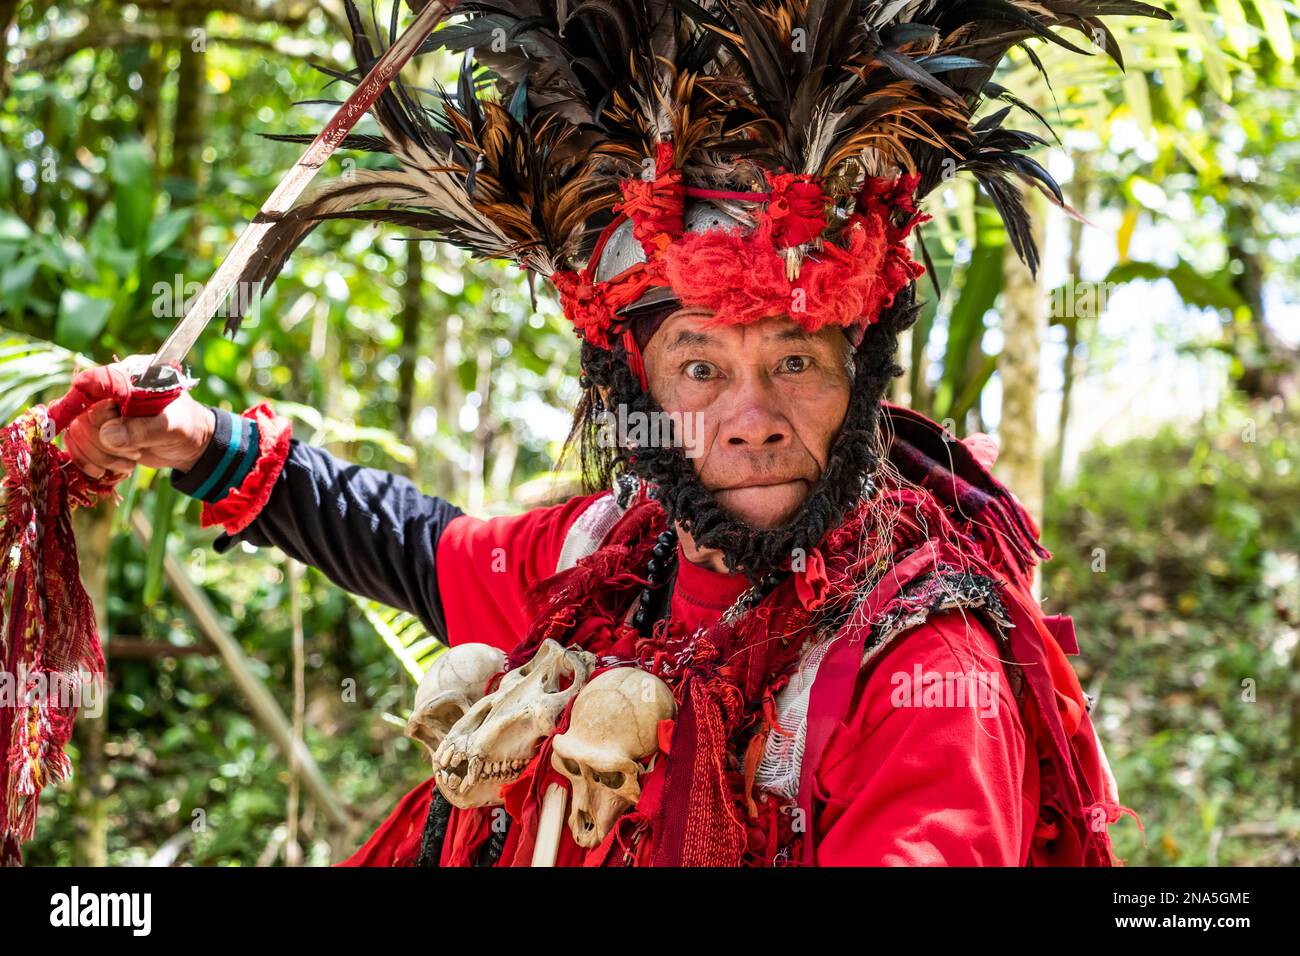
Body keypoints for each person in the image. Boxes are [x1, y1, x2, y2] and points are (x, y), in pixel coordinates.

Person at [66, 0, 1160, 866]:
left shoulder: (921, 665)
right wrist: (199, 440)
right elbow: (417, 549)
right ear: (624, 384)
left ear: (861, 377)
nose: (753, 419)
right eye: (698, 367)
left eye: (795, 361)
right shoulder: (608, 555)